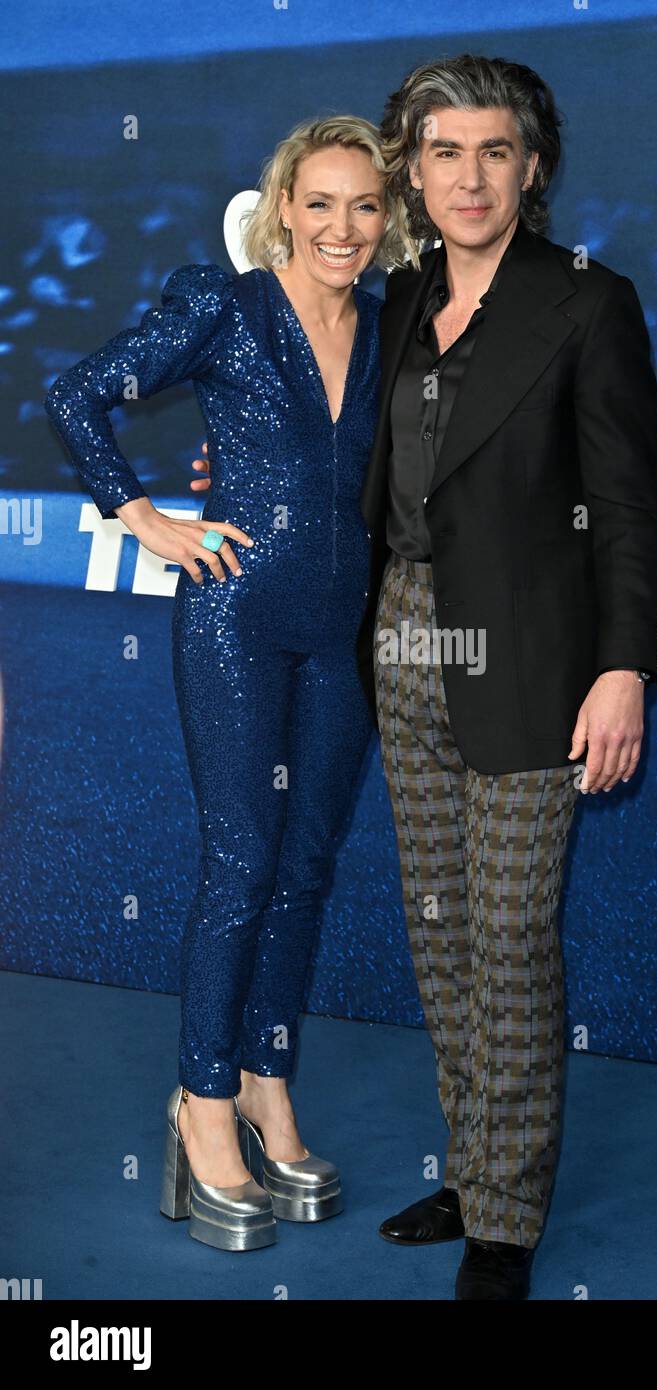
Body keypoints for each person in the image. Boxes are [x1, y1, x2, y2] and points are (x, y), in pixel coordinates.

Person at [44, 116, 419, 1252]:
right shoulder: (225, 305)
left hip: (348, 629)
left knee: (306, 863)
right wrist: (141, 511)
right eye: (321, 203)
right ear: (283, 207)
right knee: (242, 858)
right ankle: (201, 1100)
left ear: (384, 217)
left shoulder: (399, 320)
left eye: (364, 206)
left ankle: (268, 1080)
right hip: (236, 619)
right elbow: (78, 392)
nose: (342, 228)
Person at [354, 55, 657, 1300]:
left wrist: (622, 670)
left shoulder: (590, 302)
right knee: (442, 934)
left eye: (494, 151)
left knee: (512, 938)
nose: (468, 176)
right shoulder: (400, 297)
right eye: (444, 154)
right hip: (403, 637)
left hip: (539, 658)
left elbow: (632, 511)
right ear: (413, 171)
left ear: (532, 167)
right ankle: (474, 1165)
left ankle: (508, 1222)